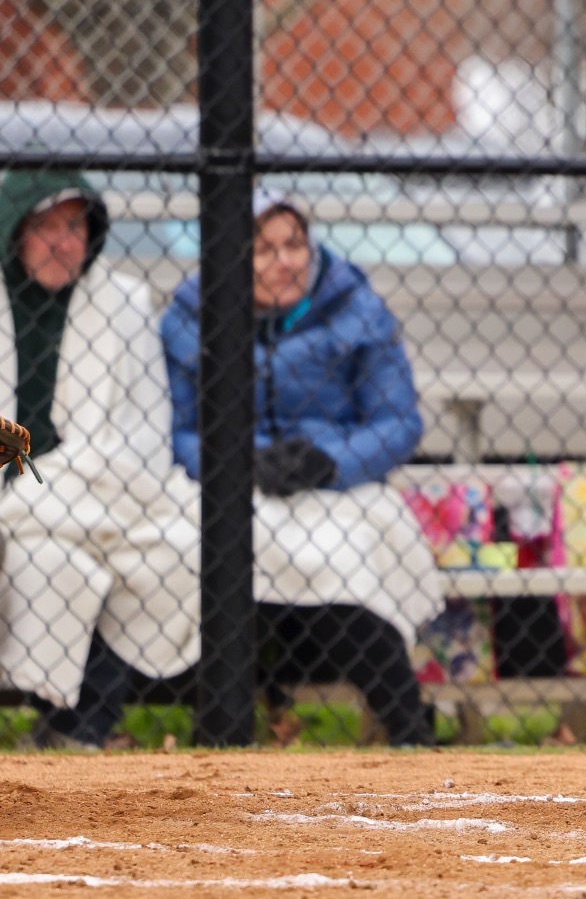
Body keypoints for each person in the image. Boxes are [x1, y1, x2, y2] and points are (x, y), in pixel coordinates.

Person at [160, 188, 441, 746]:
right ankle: (218, 729)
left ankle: (407, 726)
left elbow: (399, 422)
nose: (284, 261)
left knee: (349, 552)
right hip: (233, 480)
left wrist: (329, 461)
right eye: (263, 249)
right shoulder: (191, 317)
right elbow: (179, 432)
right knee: (201, 543)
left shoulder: (354, 306)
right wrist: (234, 464)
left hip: (334, 480)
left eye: (294, 245)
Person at [0, 171, 201, 748]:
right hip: (3, 493)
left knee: (174, 555)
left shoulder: (123, 302)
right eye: (46, 227)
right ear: (13, 233)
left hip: (104, 492)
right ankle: (69, 724)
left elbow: (147, 431)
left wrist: (67, 479)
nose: (63, 242)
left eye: (75, 225)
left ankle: (78, 730)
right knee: (52, 563)